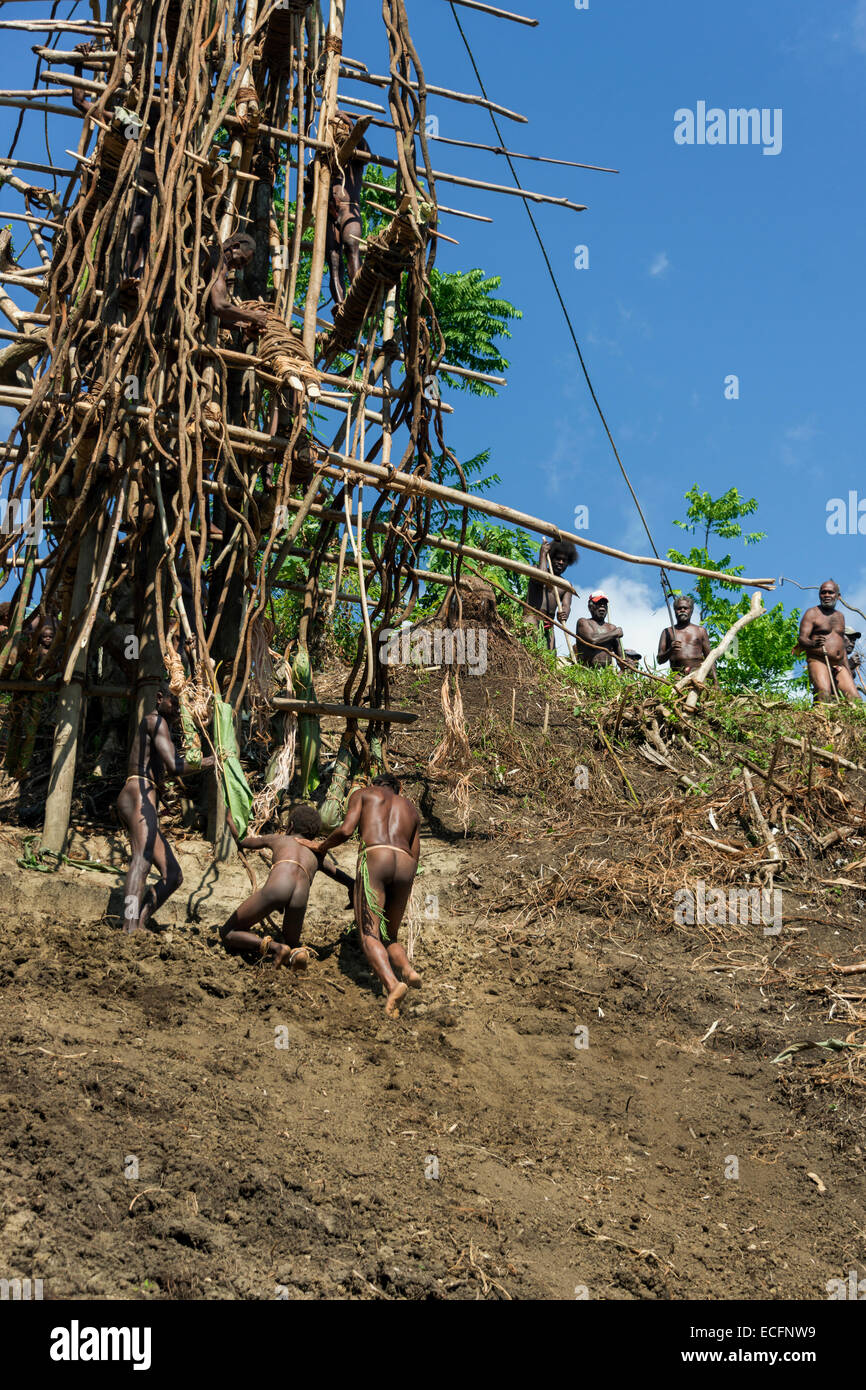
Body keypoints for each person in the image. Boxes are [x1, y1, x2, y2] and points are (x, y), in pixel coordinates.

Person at [302, 773, 421, 1017]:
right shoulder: (410, 808)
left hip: (377, 855)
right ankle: (408, 971)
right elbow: (416, 855)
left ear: (375, 785)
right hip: (406, 865)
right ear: (398, 789)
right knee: (390, 935)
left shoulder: (364, 794)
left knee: (369, 933)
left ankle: (392, 984)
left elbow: (345, 831)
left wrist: (321, 846)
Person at [116, 690, 214, 933]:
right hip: (139, 791)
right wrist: (210, 761)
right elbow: (174, 765)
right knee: (142, 859)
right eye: (175, 701)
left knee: (173, 875)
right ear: (159, 697)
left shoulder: (160, 725)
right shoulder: (155, 721)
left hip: (143, 794)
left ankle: (139, 921)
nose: (179, 707)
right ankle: (128, 924)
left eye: (182, 703)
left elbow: (168, 768)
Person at [220, 804, 354, 968]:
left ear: (290, 826)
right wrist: (352, 889)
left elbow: (243, 841)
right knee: (291, 945)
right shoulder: (316, 855)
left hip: (279, 887)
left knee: (228, 932)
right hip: (301, 897)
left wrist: (229, 818)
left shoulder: (278, 839)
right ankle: (296, 954)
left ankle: (276, 948)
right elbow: (344, 877)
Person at [323, 112, 371, 306]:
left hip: (350, 210)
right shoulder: (324, 157)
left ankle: (356, 299)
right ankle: (340, 303)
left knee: (352, 248)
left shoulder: (356, 156)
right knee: (333, 259)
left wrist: (351, 126)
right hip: (329, 215)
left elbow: (367, 152)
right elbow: (309, 187)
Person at [797, 580, 859, 702]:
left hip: (839, 663)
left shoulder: (840, 616)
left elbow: (841, 646)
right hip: (819, 659)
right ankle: (822, 720)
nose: (826, 595)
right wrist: (812, 643)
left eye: (830, 592)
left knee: (855, 699)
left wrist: (848, 670)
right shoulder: (812, 613)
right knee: (824, 694)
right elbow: (802, 639)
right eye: (823, 592)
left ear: (838, 596)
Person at [206, 232, 270, 336]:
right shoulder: (218, 259)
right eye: (242, 260)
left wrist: (245, 327)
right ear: (235, 247)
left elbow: (208, 312)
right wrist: (252, 316)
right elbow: (218, 306)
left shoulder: (212, 258)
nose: (240, 268)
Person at [525, 539, 577, 651]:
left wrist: (564, 613)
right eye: (558, 559)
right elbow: (541, 578)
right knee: (529, 649)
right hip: (532, 618)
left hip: (549, 625)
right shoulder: (536, 569)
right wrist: (543, 554)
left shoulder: (566, 585)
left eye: (564, 560)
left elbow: (566, 605)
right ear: (550, 558)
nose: (561, 562)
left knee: (550, 658)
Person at [657, 594, 715, 680]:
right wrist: (670, 650)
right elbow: (659, 660)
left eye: (685, 608)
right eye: (679, 608)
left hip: (698, 675)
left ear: (691, 611)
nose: (682, 610)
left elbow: (710, 658)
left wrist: (715, 682)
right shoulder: (667, 632)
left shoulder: (700, 631)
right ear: (675, 611)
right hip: (677, 677)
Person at [575, 592, 624, 667]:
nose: (602, 606)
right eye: (599, 603)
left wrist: (623, 669)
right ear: (590, 607)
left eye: (604, 604)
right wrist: (615, 633)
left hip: (605, 672)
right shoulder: (583, 622)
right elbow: (593, 640)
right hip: (587, 670)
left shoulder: (612, 628)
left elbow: (620, 658)